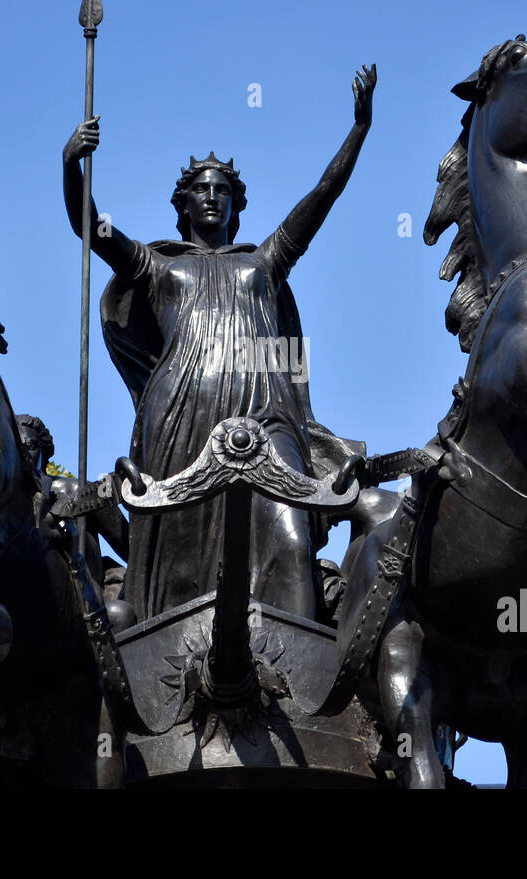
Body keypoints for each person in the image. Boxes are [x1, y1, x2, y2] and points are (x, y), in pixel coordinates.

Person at [62, 65, 376, 623]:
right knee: (178, 552)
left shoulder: (265, 261)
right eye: (201, 190)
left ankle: (294, 656)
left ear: (236, 206)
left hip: (265, 411)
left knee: (290, 534)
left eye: (223, 190)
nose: (212, 197)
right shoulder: (157, 267)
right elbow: (90, 227)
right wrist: (71, 166)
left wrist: (359, 128)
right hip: (180, 414)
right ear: (182, 205)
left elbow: (321, 197)